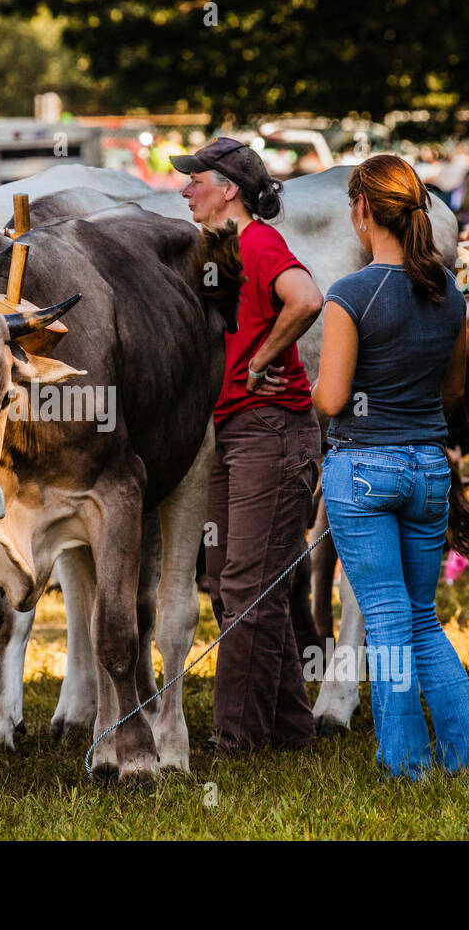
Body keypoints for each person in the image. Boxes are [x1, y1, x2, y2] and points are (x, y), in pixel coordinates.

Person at [313, 153, 469, 780]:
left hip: (362, 469)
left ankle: (406, 766)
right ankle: (466, 764)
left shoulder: (349, 294)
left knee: (384, 620)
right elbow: (451, 391)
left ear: (361, 210)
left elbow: (332, 400)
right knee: (421, 619)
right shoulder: (449, 295)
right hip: (429, 468)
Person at [173, 137, 325, 751]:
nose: (185, 190)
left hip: (273, 430)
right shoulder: (215, 249)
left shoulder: (258, 242)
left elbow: (307, 298)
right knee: (237, 582)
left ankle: (236, 738)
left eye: (196, 180)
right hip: (230, 433)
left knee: (247, 586)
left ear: (229, 189)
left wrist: (261, 361)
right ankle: (289, 728)